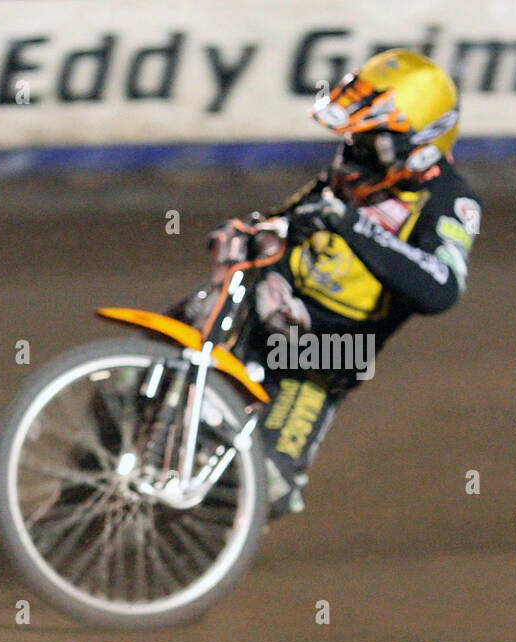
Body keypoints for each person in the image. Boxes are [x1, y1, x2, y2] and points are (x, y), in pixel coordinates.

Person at [184, 49, 481, 514]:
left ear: (418, 144)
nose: (352, 154)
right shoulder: (346, 176)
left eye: (371, 143)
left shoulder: (450, 200)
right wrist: (246, 232)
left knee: (262, 490)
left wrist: (350, 224)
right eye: (354, 140)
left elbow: (441, 289)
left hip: (326, 355)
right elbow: (282, 219)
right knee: (130, 385)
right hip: (259, 313)